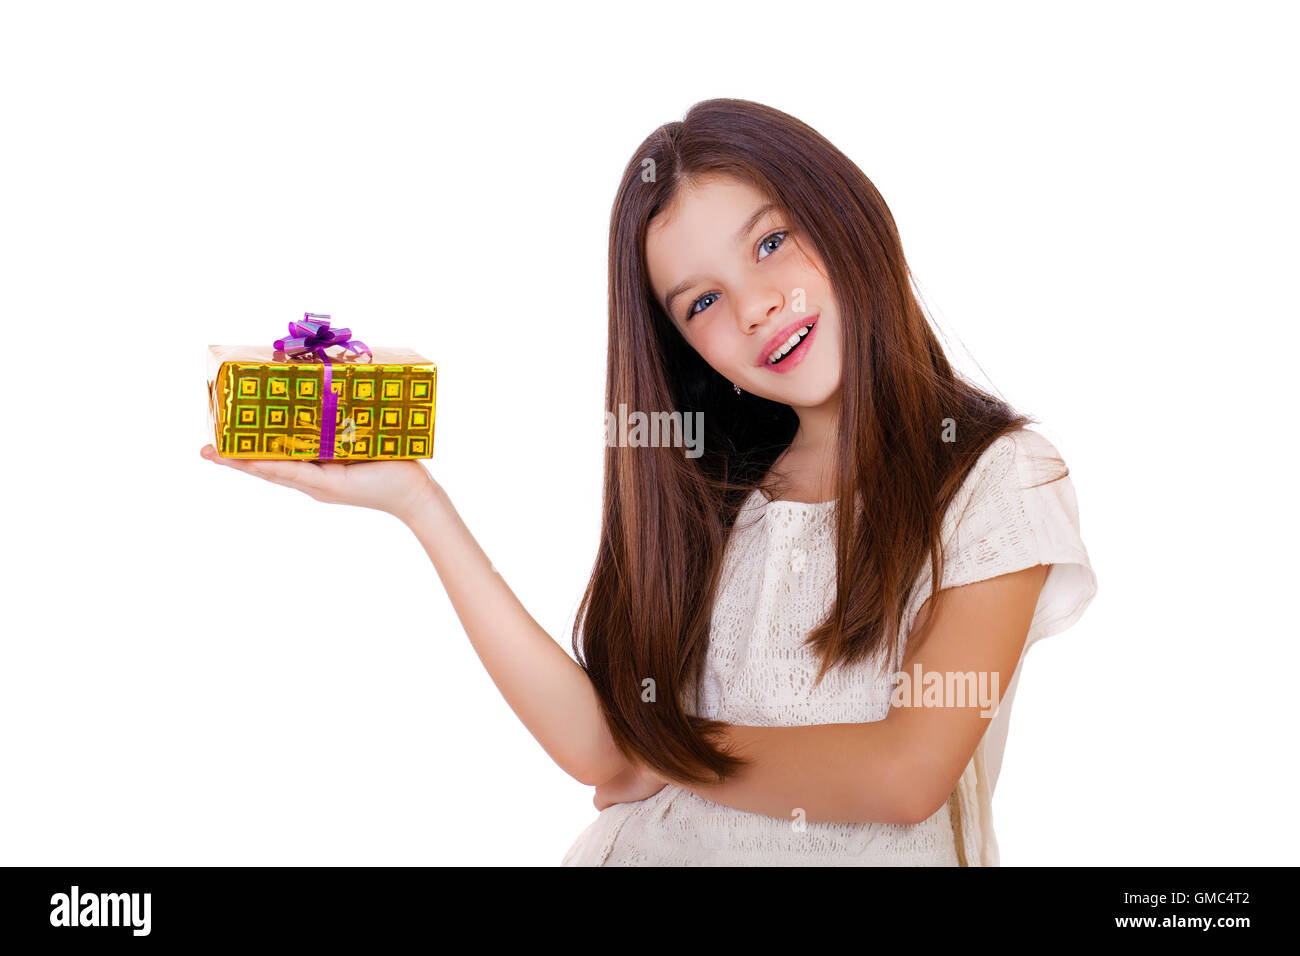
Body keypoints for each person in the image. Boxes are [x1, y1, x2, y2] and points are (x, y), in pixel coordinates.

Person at [200, 98, 1097, 866]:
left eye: (772, 241)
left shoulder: (998, 482)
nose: (754, 306)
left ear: (845, 215)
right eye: (701, 303)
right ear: (690, 351)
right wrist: (418, 504)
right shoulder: (722, 499)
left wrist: (671, 754)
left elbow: (907, 774)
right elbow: (603, 752)